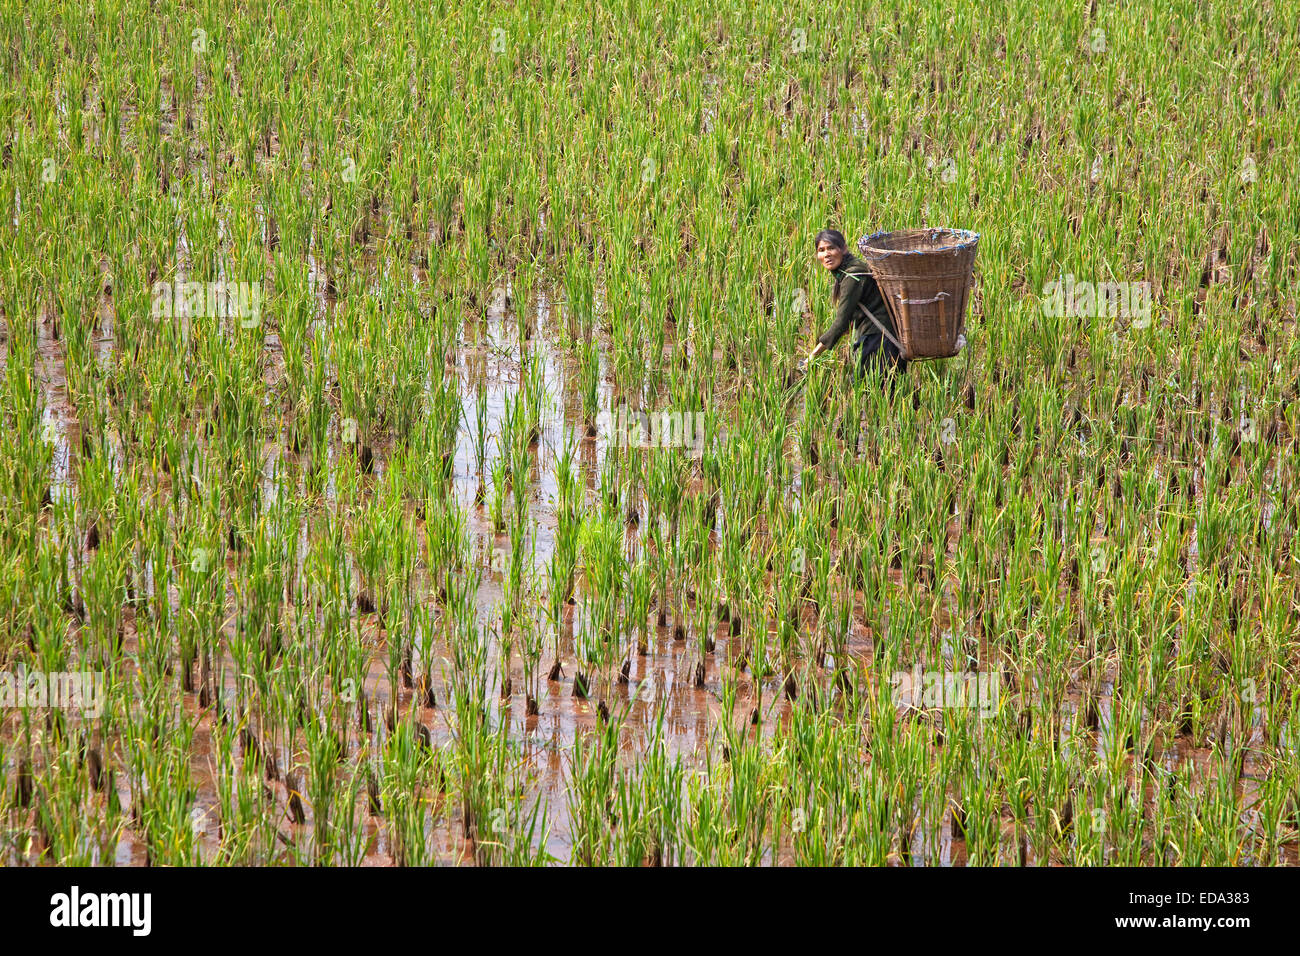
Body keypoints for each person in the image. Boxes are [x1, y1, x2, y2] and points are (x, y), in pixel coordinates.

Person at [798, 228, 907, 388]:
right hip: (885, 340)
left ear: (843, 249)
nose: (826, 254)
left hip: (879, 343)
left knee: (866, 392)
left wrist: (812, 356)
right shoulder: (850, 271)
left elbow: (841, 322)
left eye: (831, 248)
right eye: (821, 250)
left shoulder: (852, 276)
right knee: (884, 398)